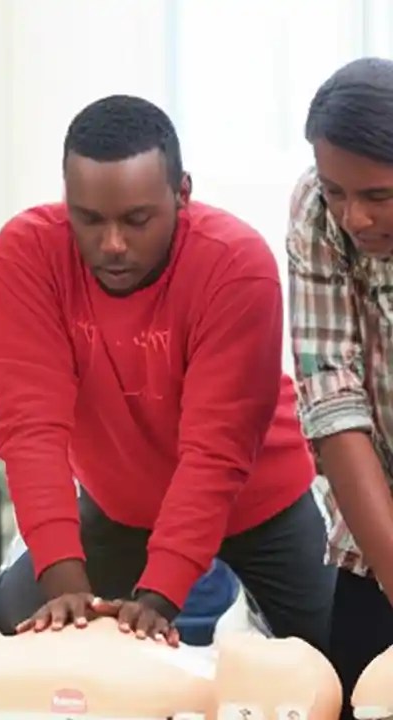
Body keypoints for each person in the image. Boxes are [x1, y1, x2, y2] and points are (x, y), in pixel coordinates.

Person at [0, 94, 333, 650]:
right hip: (122, 507)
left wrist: (158, 599)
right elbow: (31, 430)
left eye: (137, 220)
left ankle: (243, 618)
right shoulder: (27, 255)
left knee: (345, 658)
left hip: (259, 500)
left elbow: (216, 453)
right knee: (17, 620)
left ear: (182, 194)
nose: (112, 244)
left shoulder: (236, 264)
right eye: (89, 220)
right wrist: (68, 596)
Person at [288, 57, 393, 720]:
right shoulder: (316, 212)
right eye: (336, 190)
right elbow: (333, 400)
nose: (353, 216)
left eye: (378, 196)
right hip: (374, 527)